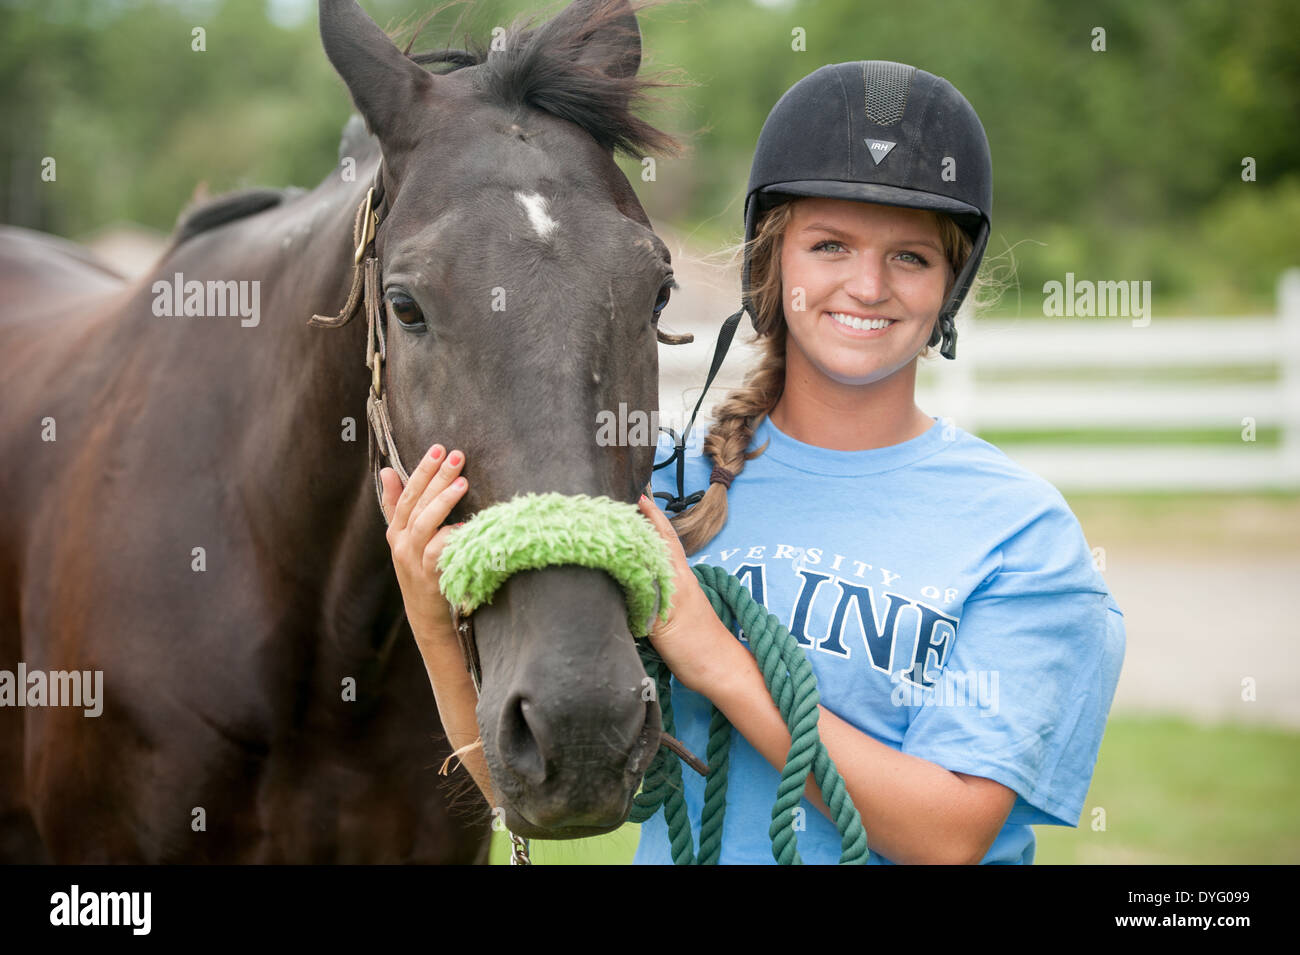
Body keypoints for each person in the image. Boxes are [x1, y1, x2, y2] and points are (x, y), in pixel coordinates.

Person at [381, 60, 1127, 865]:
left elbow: (949, 834)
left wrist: (722, 664)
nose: (868, 285)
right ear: (772, 263)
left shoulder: (1023, 535)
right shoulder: (659, 494)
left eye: (910, 257)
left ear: (951, 284)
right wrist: (430, 617)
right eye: (830, 245)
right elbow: (534, 788)